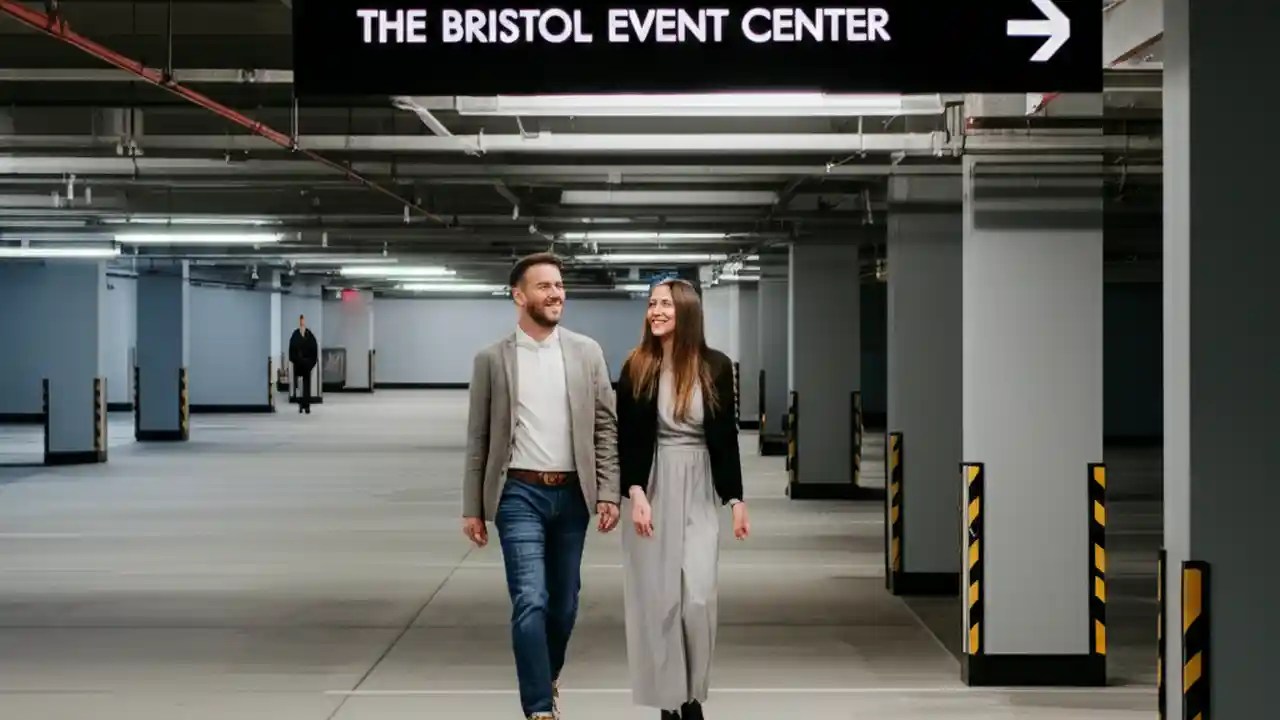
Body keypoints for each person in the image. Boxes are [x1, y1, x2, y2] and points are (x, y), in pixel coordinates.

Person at [462, 252, 622, 720]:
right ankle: (538, 709)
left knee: (564, 605)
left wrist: (608, 491)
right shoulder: (491, 359)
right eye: (544, 286)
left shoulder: (586, 352)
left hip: (573, 496)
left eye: (559, 285)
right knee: (530, 599)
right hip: (518, 494)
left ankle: (547, 674)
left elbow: (605, 427)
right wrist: (473, 505)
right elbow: (478, 438)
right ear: (519, 296)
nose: (556, 294)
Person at [616, 278, 750, 720]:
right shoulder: (637, 365)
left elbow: (725, 438)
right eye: (652, 304)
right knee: (660, 602)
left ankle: (692, 693)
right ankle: (672, 705)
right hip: (651, 485)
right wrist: (634, 492)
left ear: (686, 312)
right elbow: (628, 439)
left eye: (665, 305)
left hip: (698, 485)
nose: (656, 311)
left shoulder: (715, 365)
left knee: (697, 598)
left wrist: (735, 499)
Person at [288, 314, 319, 414]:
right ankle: (301, 403)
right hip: (298, 363)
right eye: (301, 320)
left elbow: (314, 349)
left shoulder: (309, 335)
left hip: (307, 364)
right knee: (299, 385)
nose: (302, 322)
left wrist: (310, 361)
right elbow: (292, 349)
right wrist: (296, 360)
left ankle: (306, 404)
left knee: (306, 384)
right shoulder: (296, 334)